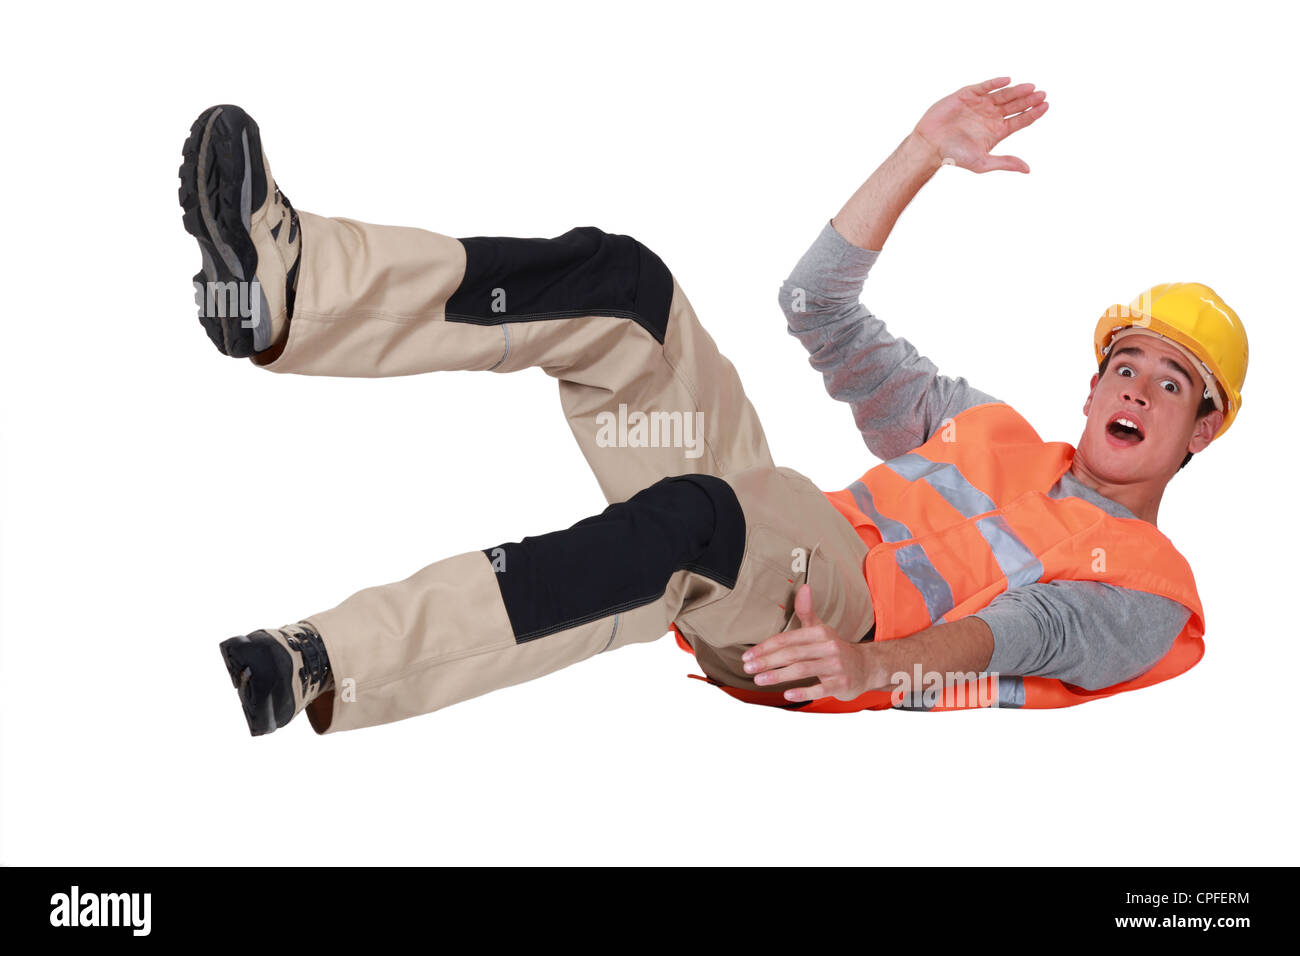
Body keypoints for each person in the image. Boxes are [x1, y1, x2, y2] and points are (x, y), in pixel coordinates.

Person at [179, 77, 1246, 736]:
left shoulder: (1148, 588)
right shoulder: (986, 425)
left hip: (822, 623)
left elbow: (1019, 636)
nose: (1137, 387)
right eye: (1128, 363)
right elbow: (815, 306)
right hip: (781, 522)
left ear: (1202, 429)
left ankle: (325, 656)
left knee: (694, 523)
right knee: (625, 290)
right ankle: (291, 288)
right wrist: (921, 149)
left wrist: (869, 664)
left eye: (1171, 382)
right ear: (1092, 381)